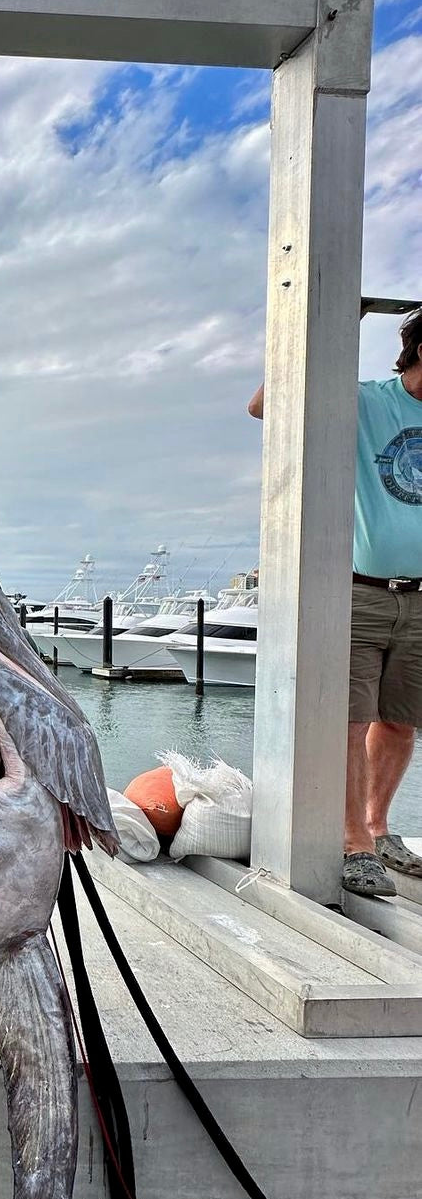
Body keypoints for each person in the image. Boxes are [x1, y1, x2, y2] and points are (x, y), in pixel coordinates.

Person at [249, 306, 422, 897]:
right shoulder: (367, 401)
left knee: (401, 721)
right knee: (351, 719)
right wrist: (311, 331)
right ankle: (355, 844)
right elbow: (263, 407)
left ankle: (378, 827)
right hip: (361, 590)